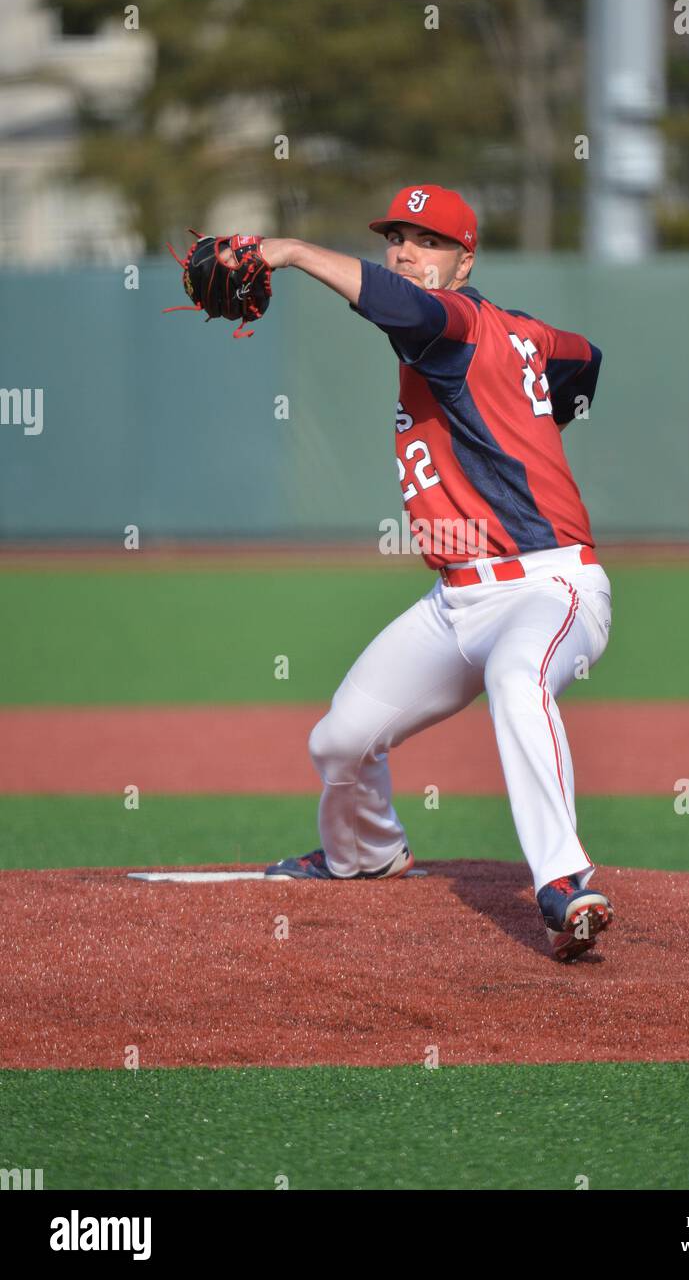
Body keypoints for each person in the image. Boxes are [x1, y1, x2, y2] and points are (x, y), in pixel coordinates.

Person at [220, 184, 614, 961]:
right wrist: (539, 420)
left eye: (428, 240)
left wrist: (292, 252)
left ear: (465, 261)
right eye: (397, 236)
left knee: (516, 681)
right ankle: (367, 854)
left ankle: (564, 881)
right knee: (340, 739)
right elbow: (584, 358)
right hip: (455, 602)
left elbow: (405, 308)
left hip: (550, 586)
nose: (405, 251)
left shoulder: (454, 323)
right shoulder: (523, 332)